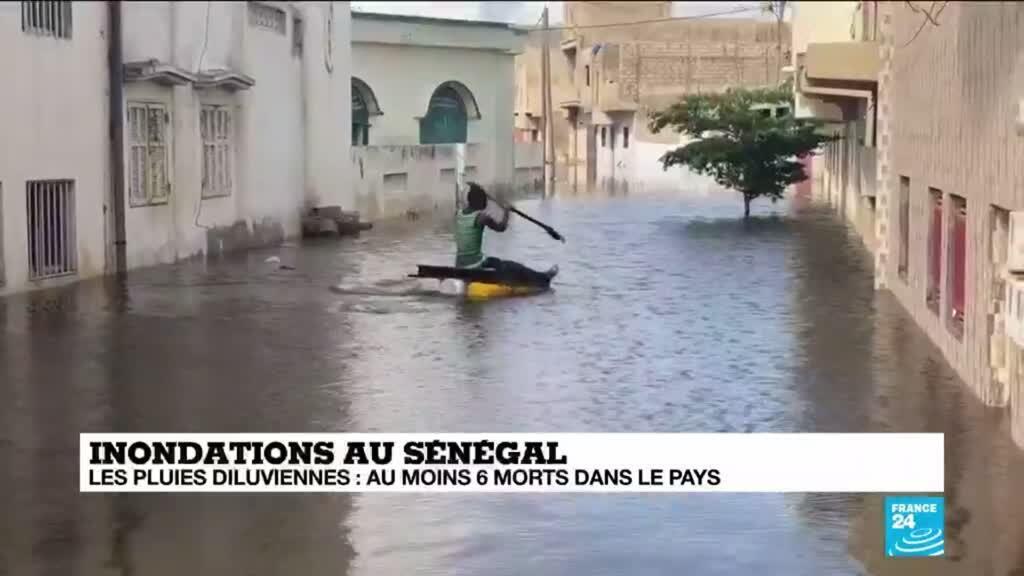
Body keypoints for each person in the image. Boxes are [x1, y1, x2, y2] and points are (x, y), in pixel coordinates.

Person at [454, 182, 555, 285]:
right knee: (514, 267)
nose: (485, 205)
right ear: (479, 202)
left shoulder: (458, 214)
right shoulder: (481, 217)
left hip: (459, 265)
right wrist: (507, 211)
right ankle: (543, 278)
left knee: (496, 261)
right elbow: (501, 228)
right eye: (484, 202)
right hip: (475, 265)